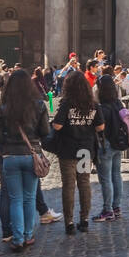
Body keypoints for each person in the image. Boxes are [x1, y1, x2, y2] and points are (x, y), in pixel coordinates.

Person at [0, 69, 51, 252]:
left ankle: (17, 239)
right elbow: (45, 133)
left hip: (10, 156)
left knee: (15, 199)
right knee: (29, 198)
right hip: (31, 154)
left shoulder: (3, 107)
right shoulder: (40, 105)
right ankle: (28, 235)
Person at [52, 70, 104, 234]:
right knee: (84, 184)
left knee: (68, 186)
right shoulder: (93, 104)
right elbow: (101, 127)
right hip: (85, 150)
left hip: (68, 150)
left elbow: (57, 126)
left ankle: (69, 222)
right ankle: (84, 220)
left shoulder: (67, 103)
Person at [93, 74, 126, 223]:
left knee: (106, 179)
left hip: (105, 145)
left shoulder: (102, 108)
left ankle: (108, 210)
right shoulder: (118, 103)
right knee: (116, 175)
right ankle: (116, 207)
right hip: (118, 144)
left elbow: (98, 128)